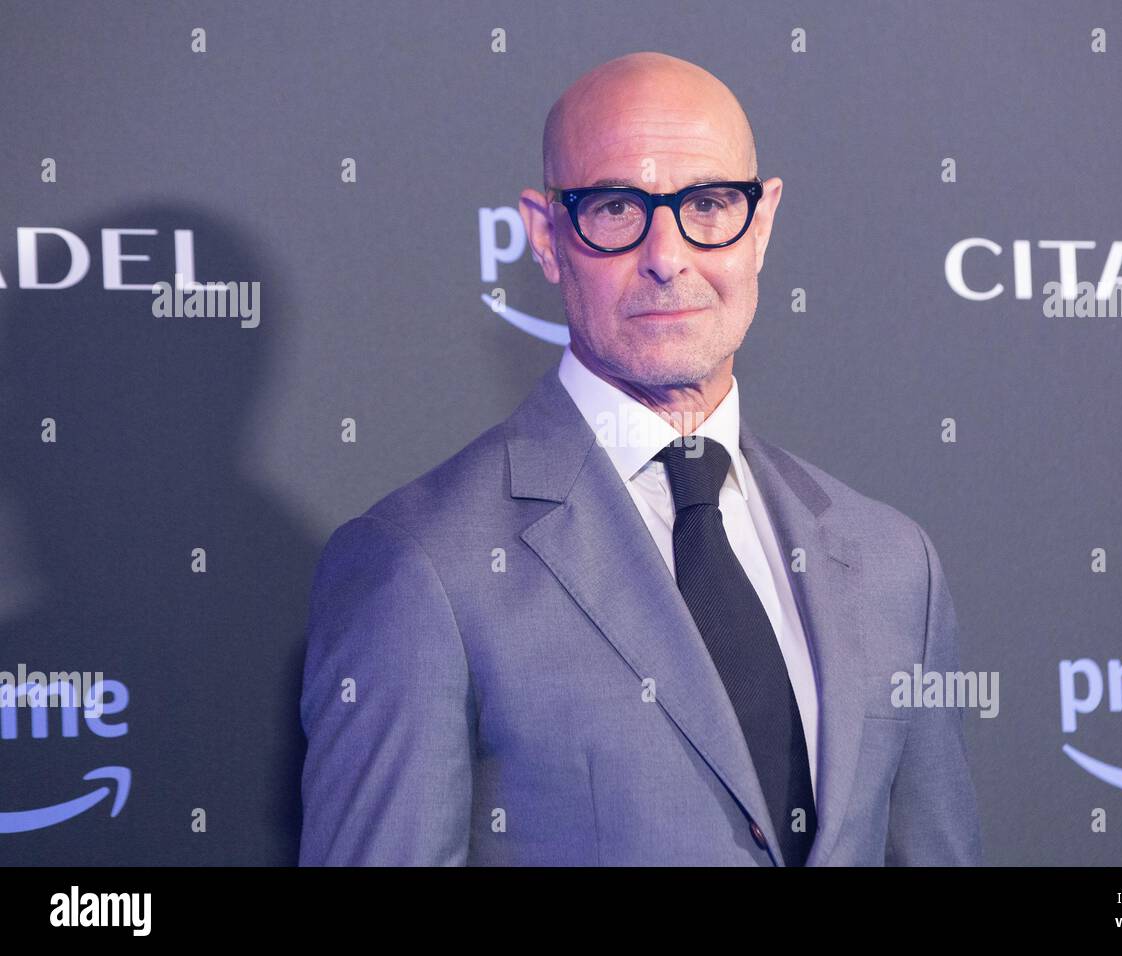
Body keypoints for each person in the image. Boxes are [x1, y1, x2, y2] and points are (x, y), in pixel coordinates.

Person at [298, 51, 981, 866]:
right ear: (548, 237)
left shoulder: (894, 565)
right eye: (619, 208)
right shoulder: (423, 568)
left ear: (760, 228)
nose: (668, 254)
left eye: (709, 203)